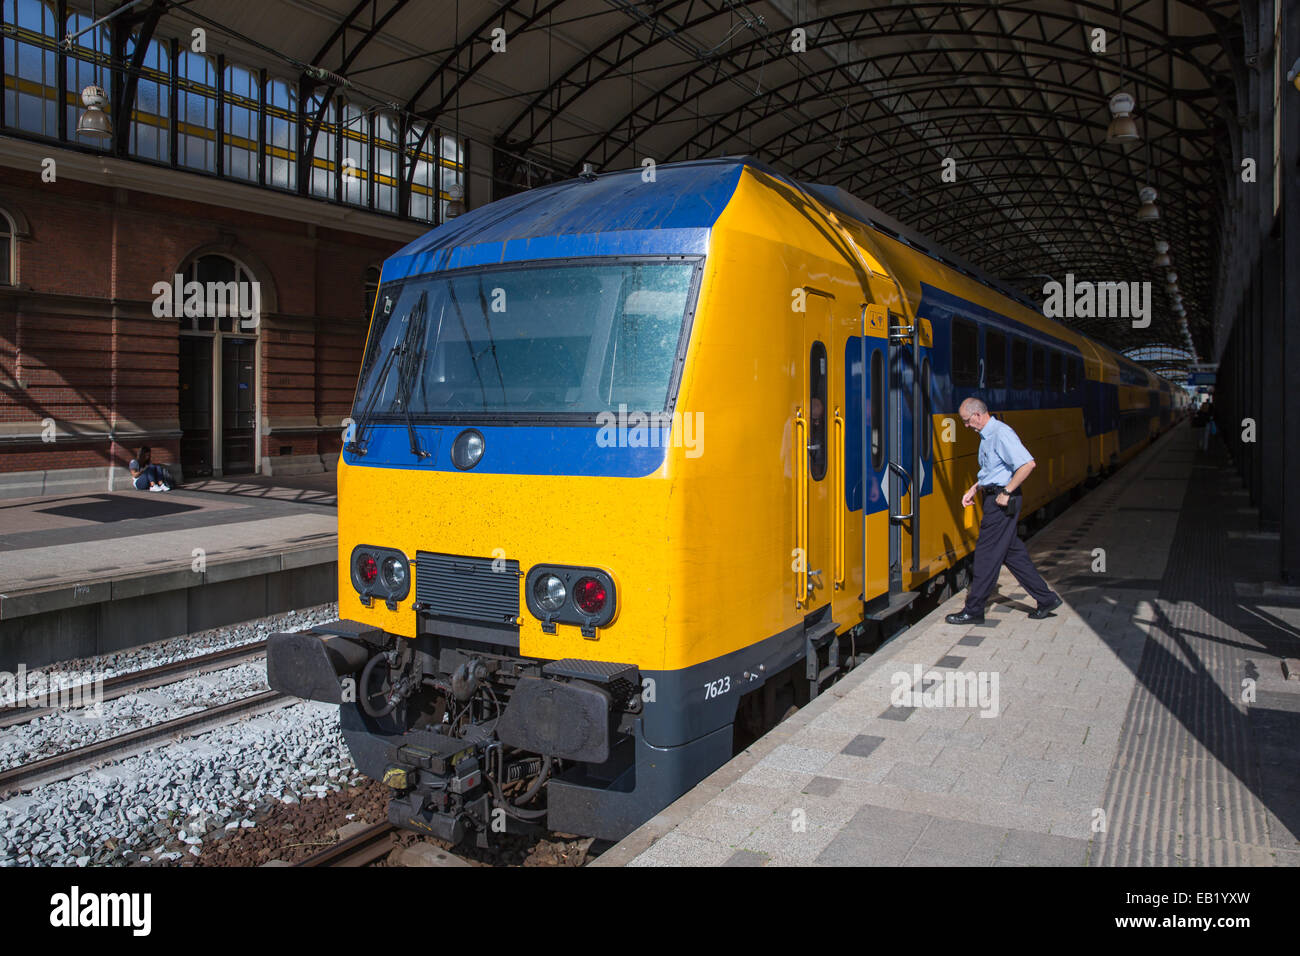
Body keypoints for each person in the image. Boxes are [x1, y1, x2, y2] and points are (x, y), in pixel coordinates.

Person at [945, 397, 1061, 624]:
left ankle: (974, 610)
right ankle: (1046, 599)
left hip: (1001, 502)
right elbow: (993, 470)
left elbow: (1028, 464)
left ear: (977, 415)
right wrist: (975, 487)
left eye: (967, 421)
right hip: (994, 497)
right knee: (1013, 554)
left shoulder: (1001, 434)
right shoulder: (988, 436)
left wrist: (1006, 491)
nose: (967, 426)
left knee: (986, 556)